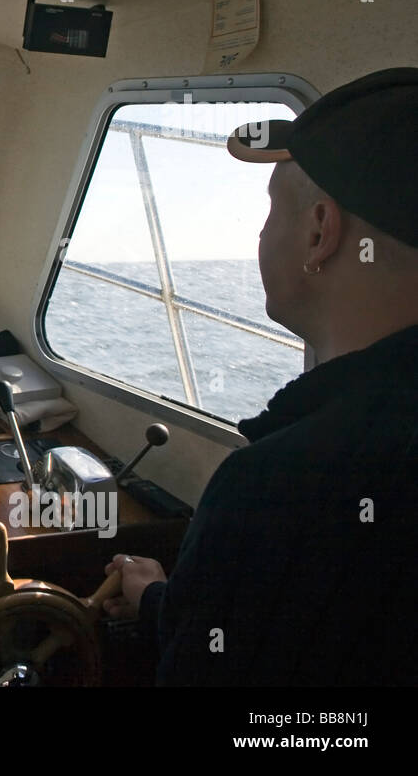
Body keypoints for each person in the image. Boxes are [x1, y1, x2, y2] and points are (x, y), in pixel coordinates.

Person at [103, 68, 418, 685]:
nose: (259, 233)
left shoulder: (284, 485)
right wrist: (160, 603)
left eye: (273, 208)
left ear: (320, 231)